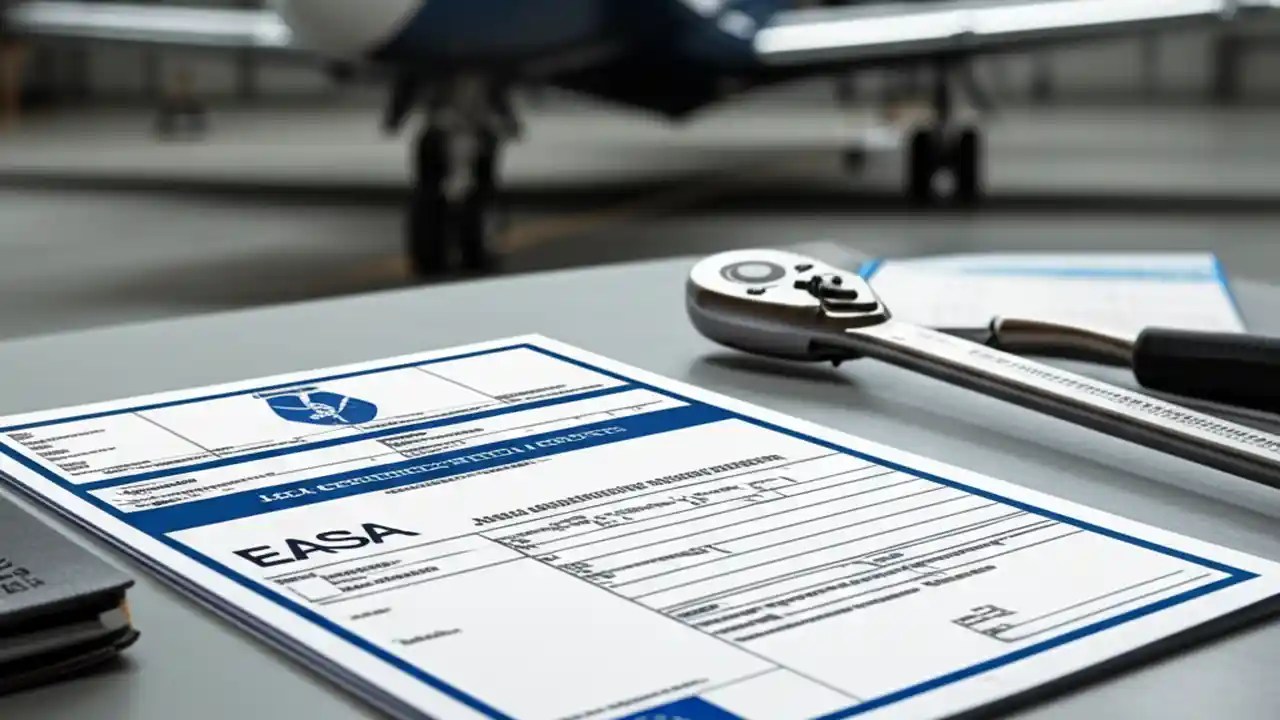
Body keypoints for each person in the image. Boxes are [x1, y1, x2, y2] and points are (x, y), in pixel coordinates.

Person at [0, 0, 29, 130]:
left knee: (10, 68)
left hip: (11, 18)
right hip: (11, 16)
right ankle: (11, 111)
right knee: (10, 68)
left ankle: (11, 110)